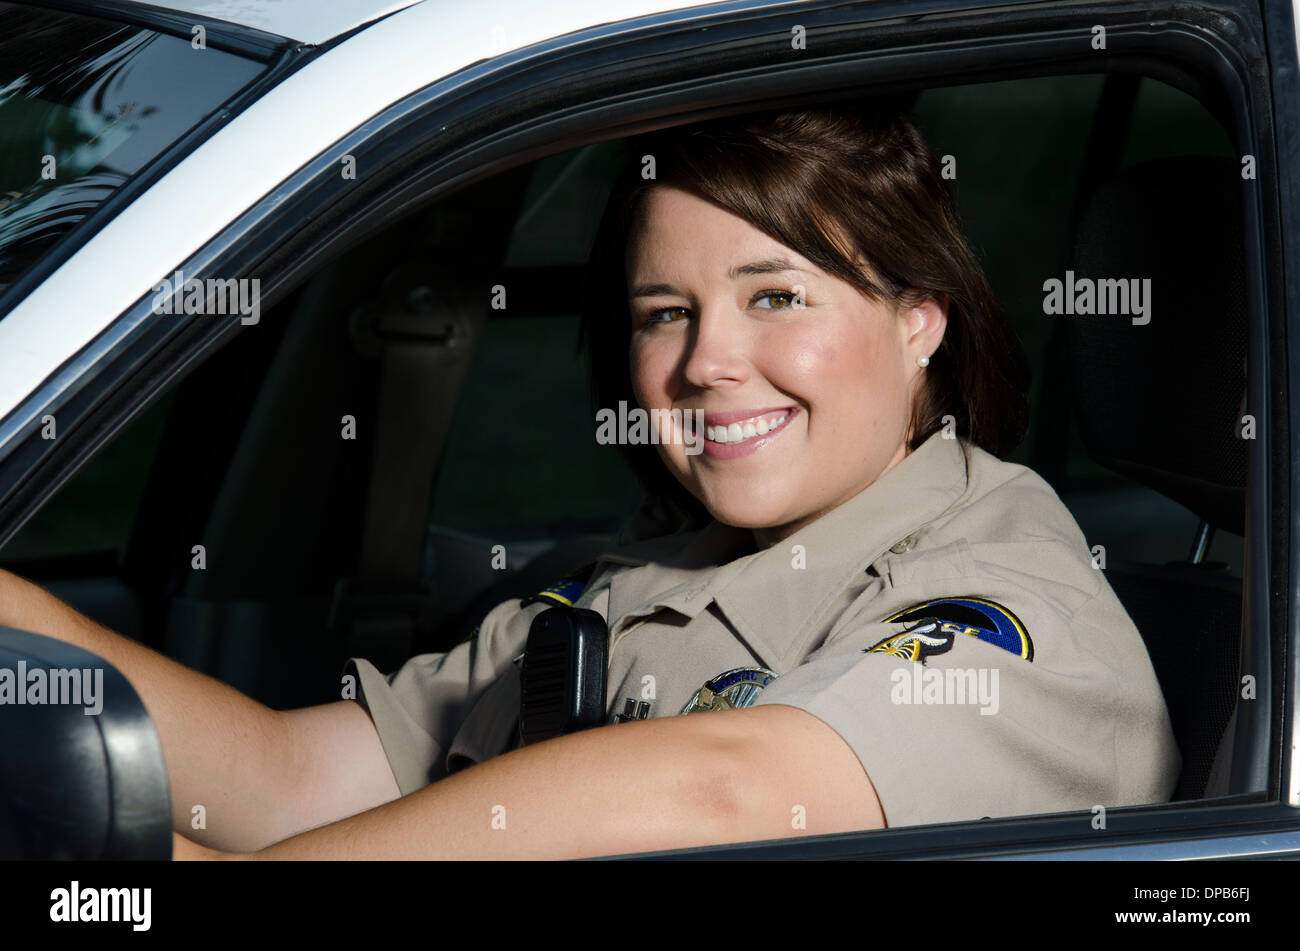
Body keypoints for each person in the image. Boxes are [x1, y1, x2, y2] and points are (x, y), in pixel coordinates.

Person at [0, 106, 1179, 860]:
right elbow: (293, 779)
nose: (704, 361)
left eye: (776, 296)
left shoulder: (1020, 609)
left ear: (919, 322)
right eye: (666, 313)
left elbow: (734, 789)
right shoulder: (643, 584)